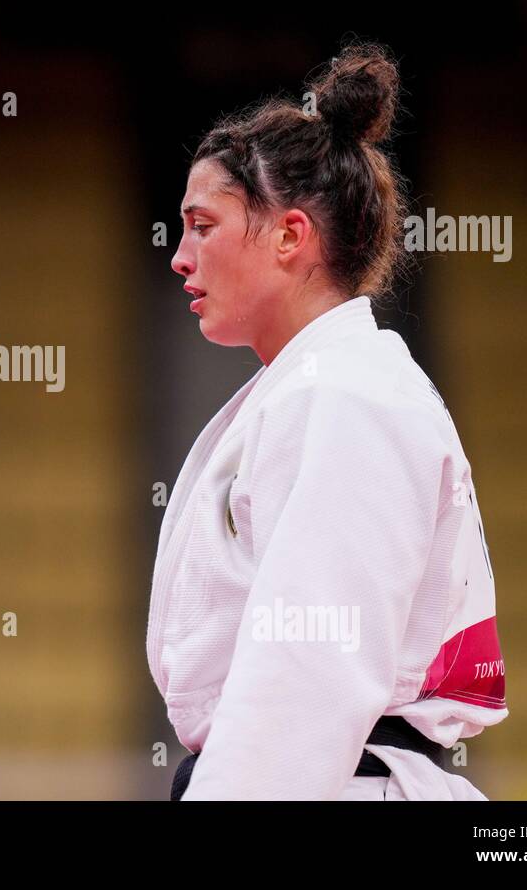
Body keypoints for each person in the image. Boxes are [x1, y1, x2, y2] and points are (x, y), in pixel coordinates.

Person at [149, 43, 507, 800]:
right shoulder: (321, 388)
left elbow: (308, 670)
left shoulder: (350, 396)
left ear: (289, 235)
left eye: (202, 225)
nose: (179, 257)